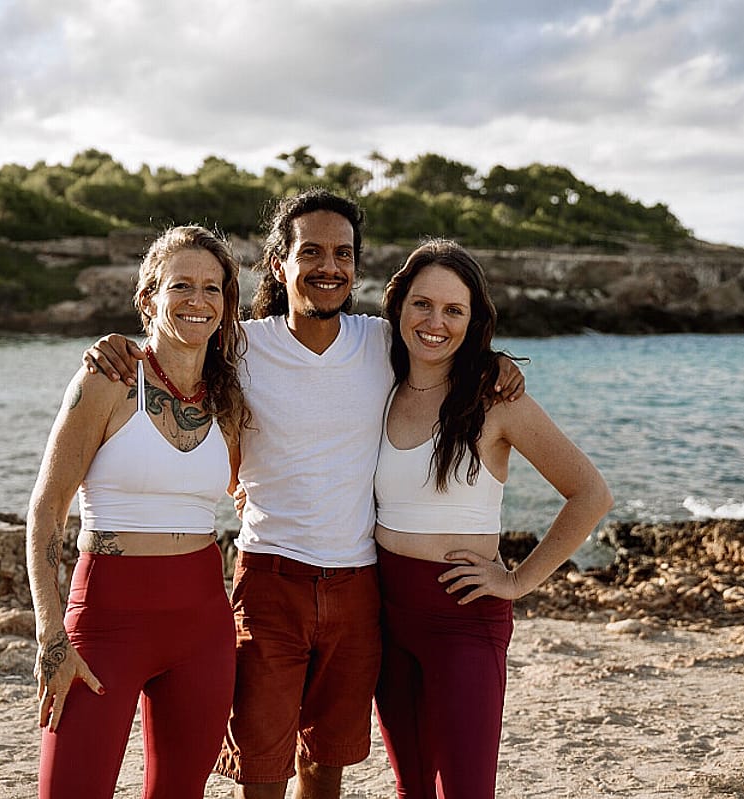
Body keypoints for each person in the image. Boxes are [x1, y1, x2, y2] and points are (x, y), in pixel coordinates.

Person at [83, 190, 525, 799]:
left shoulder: (381, 343)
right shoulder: (239, 345)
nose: (329, 265)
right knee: (263, 768)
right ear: (279, 263)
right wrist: (117, 345)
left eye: (343, 253)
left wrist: (495, 362)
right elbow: (171, 347)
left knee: (325, 765)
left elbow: (441, 344)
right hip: (269, 582)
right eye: (311, 250)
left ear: (356, 266)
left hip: (359, 586)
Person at [373, 239, 614, 798]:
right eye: (422, 305)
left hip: (464, 619)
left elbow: (590, 494)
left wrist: (516, 581)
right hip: (386, 613)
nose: (436, 322)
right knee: (412, 786)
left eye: (454, 310)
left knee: (466, 788)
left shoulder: (493, 398)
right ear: (398, 307)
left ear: (473, 319)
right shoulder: (377, 383)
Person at [25, 225, 248, 798]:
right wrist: (51, 634)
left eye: (212, 289)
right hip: (105, 620)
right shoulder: (107, 381)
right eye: (181, 286)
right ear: (147, 298)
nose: (198, 301)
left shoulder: (230, 400)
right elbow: (47, 511)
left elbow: (250, 488)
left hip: (203, 627)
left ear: (226, 305)